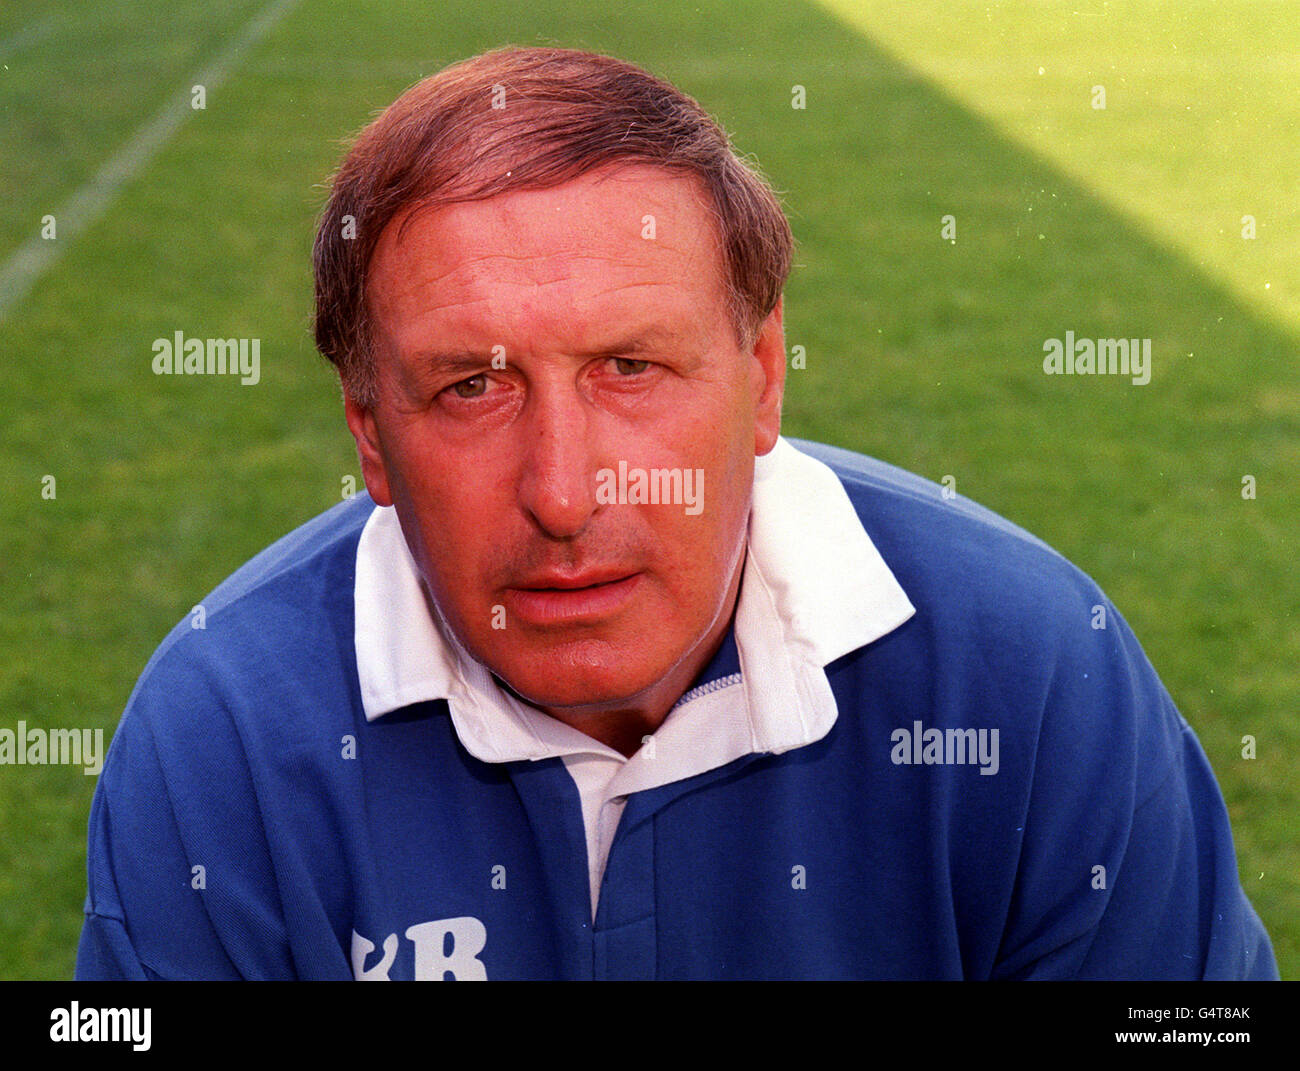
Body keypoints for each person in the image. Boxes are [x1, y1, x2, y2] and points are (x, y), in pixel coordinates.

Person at [76, 45, 1276, 980]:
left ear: (761, 379)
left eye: (629, 370)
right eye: (471, 387)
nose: (562, 494)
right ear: (369, 435)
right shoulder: (219, 732)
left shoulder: (1035, 674)